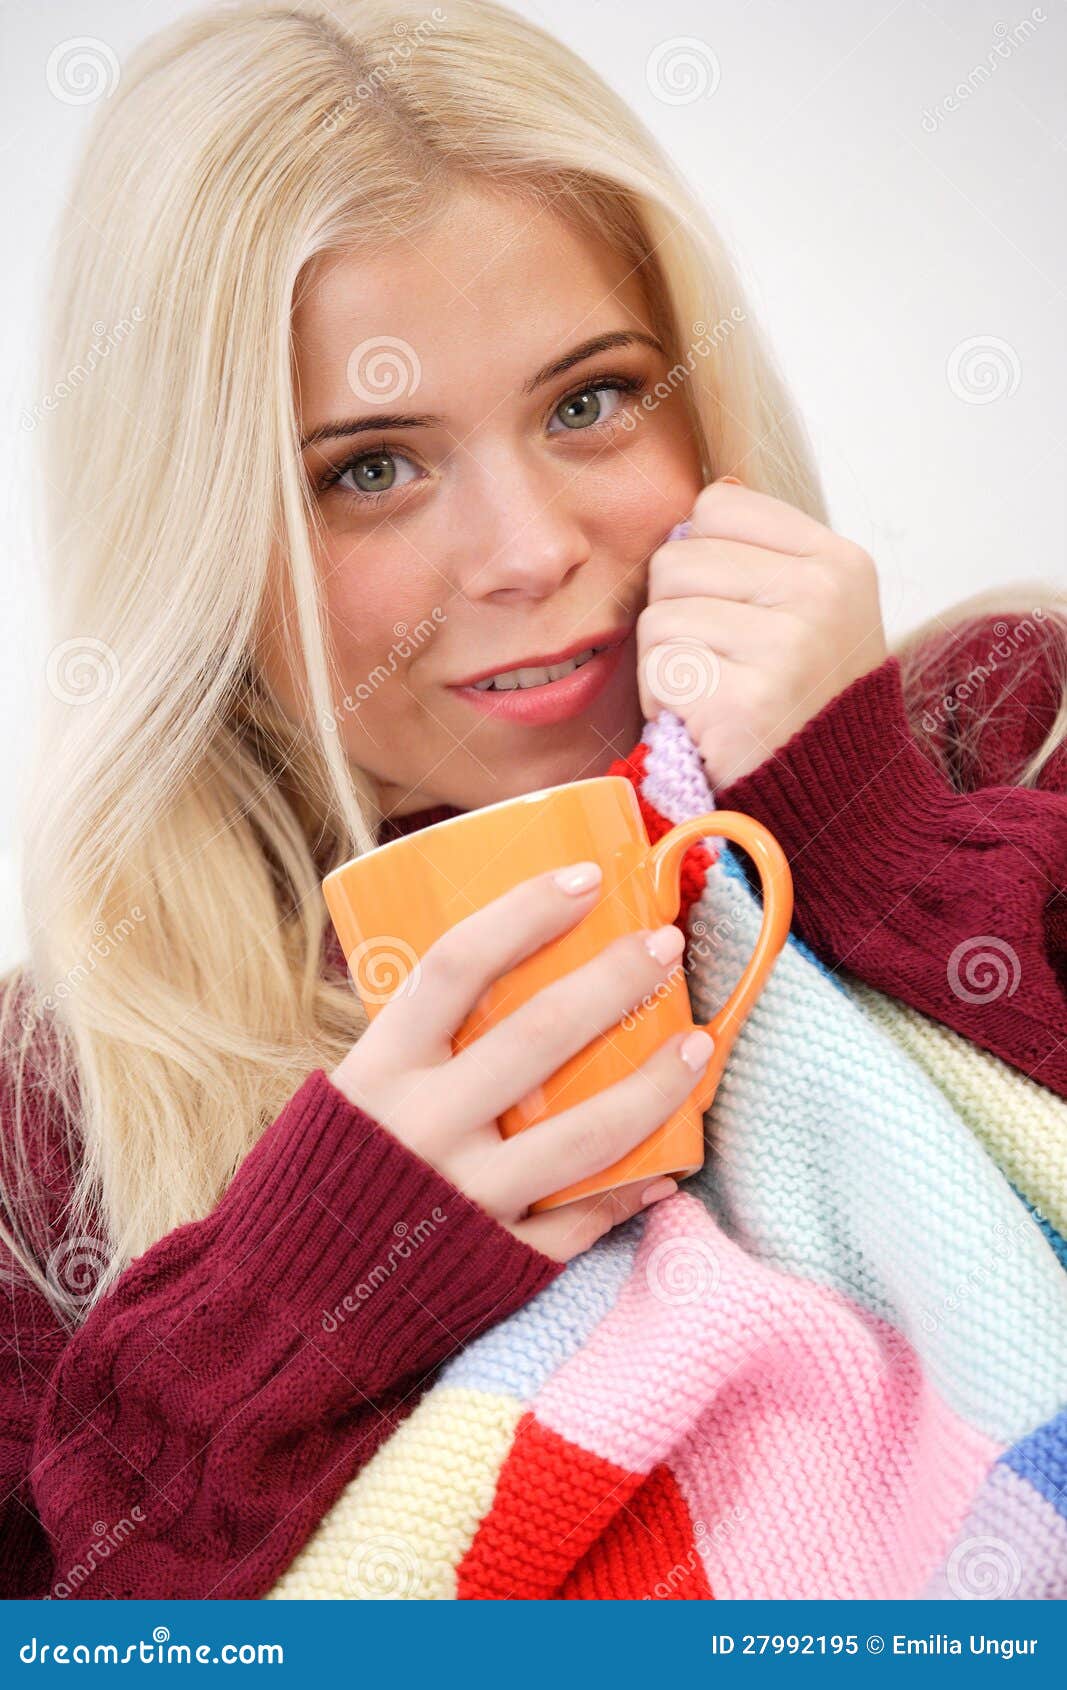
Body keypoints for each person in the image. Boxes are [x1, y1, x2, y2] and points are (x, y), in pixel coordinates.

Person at [1, 0, 1063, 1599]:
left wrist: (872, 839)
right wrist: (309, 1294)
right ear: (198, 551)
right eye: (370, 466)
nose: (526, 550)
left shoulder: (1008, 733)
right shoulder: (49, 1137)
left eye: (588, 400)